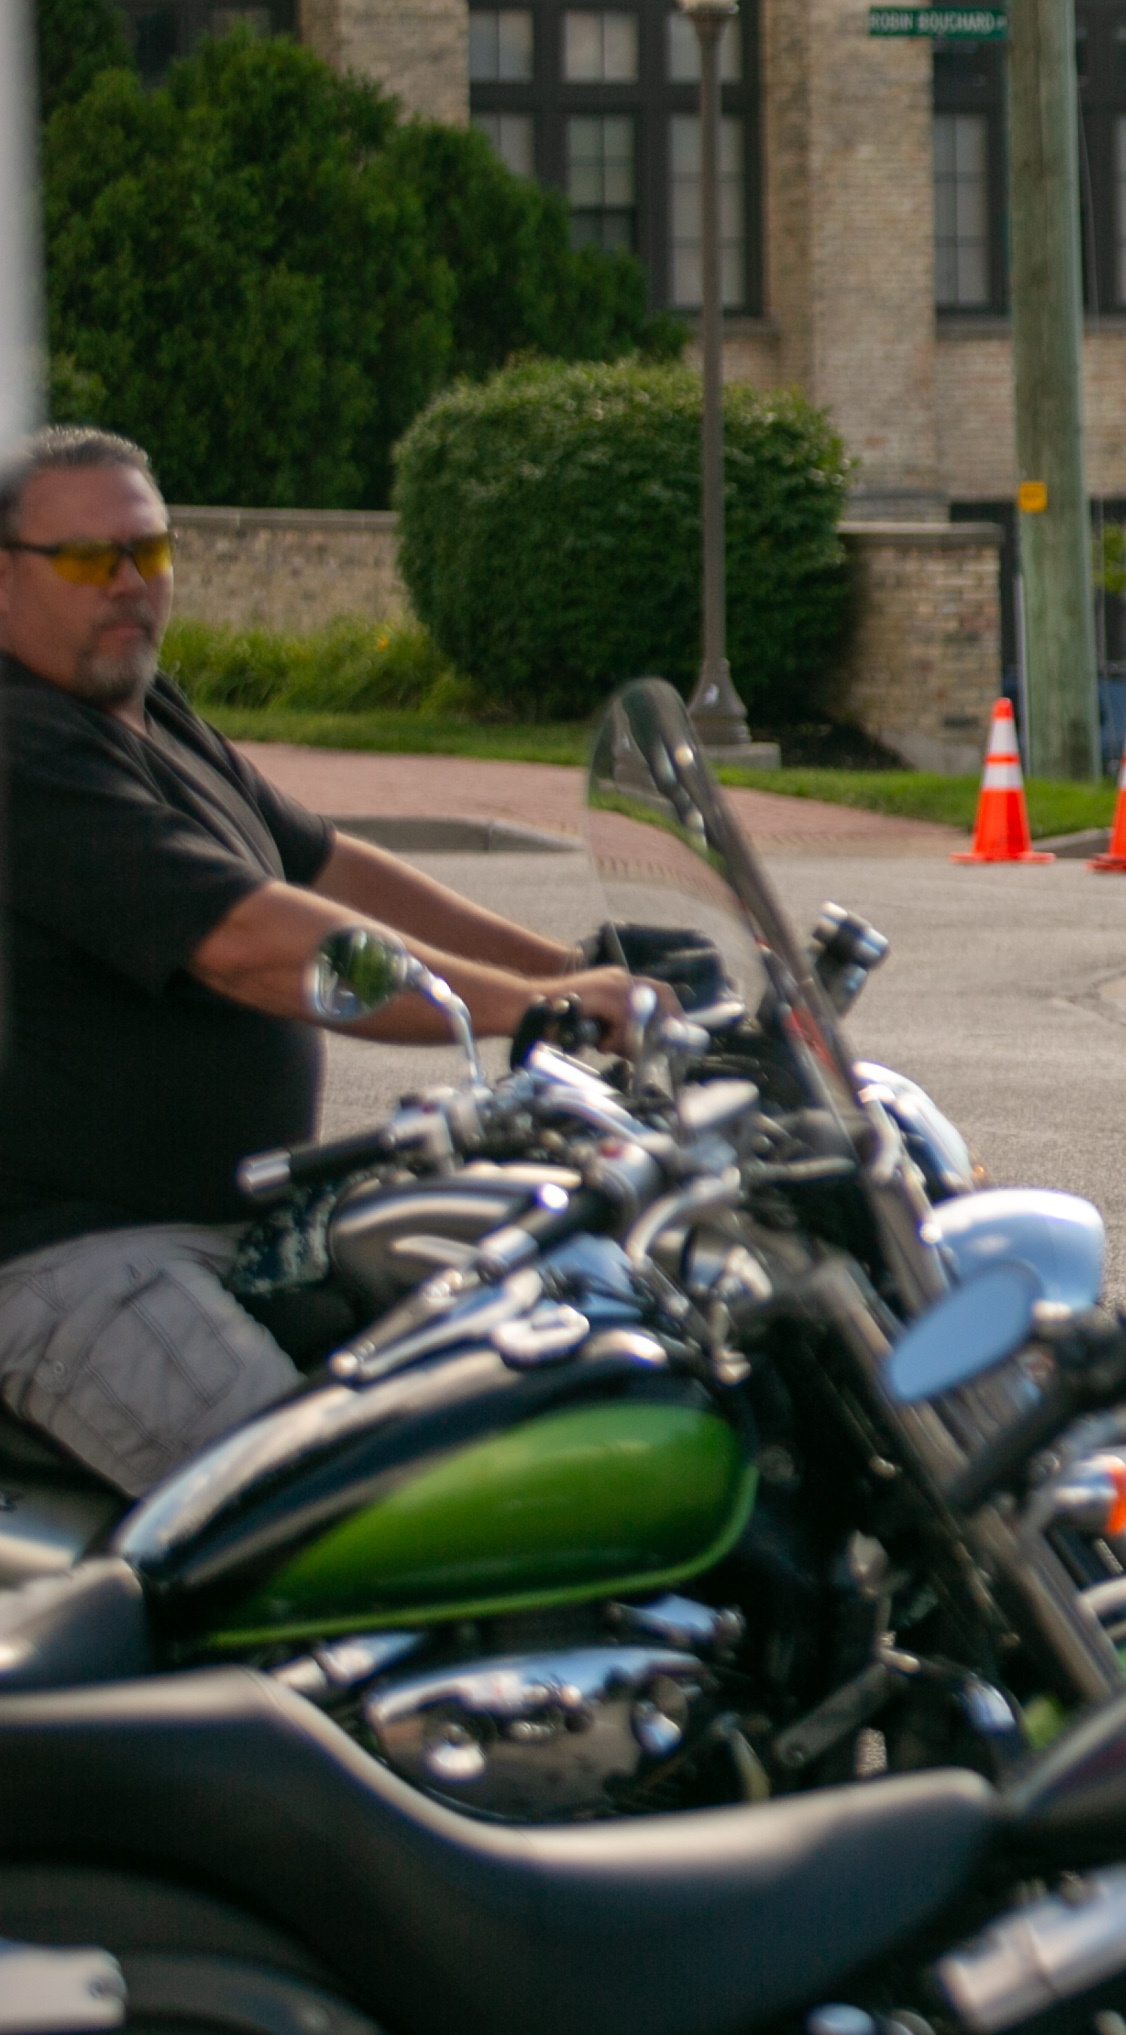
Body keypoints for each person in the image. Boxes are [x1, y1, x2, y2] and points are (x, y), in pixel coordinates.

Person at [0, 426, 647, 1495]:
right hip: (77, 1261)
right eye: (87, 560)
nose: (129, 583)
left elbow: (328, 867)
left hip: (237, 1220)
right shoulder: (23, 750)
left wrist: (580, 970)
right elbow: (255, 947)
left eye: (150, 552)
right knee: (346, 1511)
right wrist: (528, 1008)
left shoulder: (142, 710)